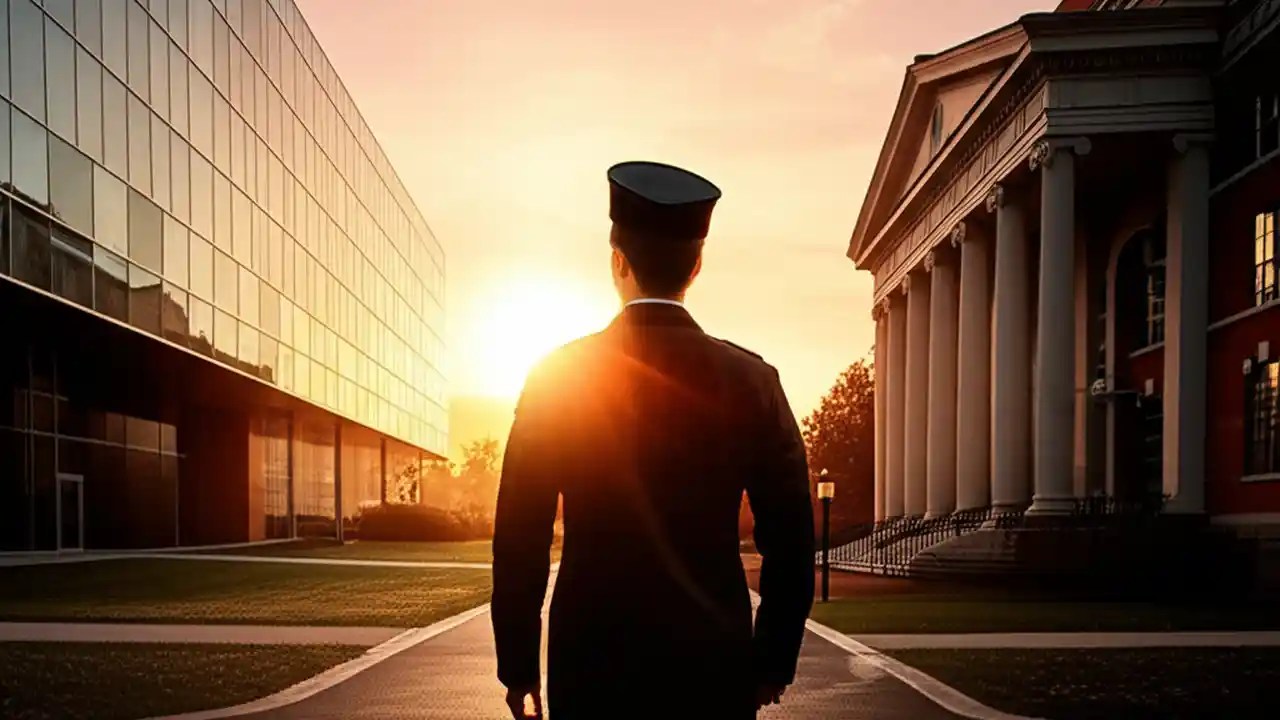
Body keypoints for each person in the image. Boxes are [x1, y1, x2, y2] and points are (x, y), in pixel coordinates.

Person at [492, 161, 815, 719]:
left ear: (618, 262)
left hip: (591, 664)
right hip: (711, 668)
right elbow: (791, 541)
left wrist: (519, 664)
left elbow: (521, 533)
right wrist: (771, 662)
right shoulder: (752, 382)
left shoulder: (558, 378)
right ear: (696, 265)